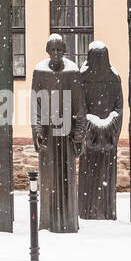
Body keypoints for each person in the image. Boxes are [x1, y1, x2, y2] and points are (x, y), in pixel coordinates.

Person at [30, 34, 85, 232]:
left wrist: (79, 133)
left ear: (64, 51)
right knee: (48, 178)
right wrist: (37, 130)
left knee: (67, 177)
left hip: (68, 132)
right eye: (52, 50)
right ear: (47, 51)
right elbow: (35, 103)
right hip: (48, 132)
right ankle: (48, 221)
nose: (56, 54)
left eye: (59, 50)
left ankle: (68, 221)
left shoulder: (72, 72)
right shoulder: (40, 72)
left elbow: (80, 106)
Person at [79, 41, 124, 220]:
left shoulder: (113, 79)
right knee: (95, 175)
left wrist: (101, 127)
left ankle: (100, 211)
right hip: (97, 137)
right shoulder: (83, 78)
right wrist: (101, 127)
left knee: (98, 175)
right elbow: (81, 107)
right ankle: (93, 211)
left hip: (101, 137)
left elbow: (118, 109)